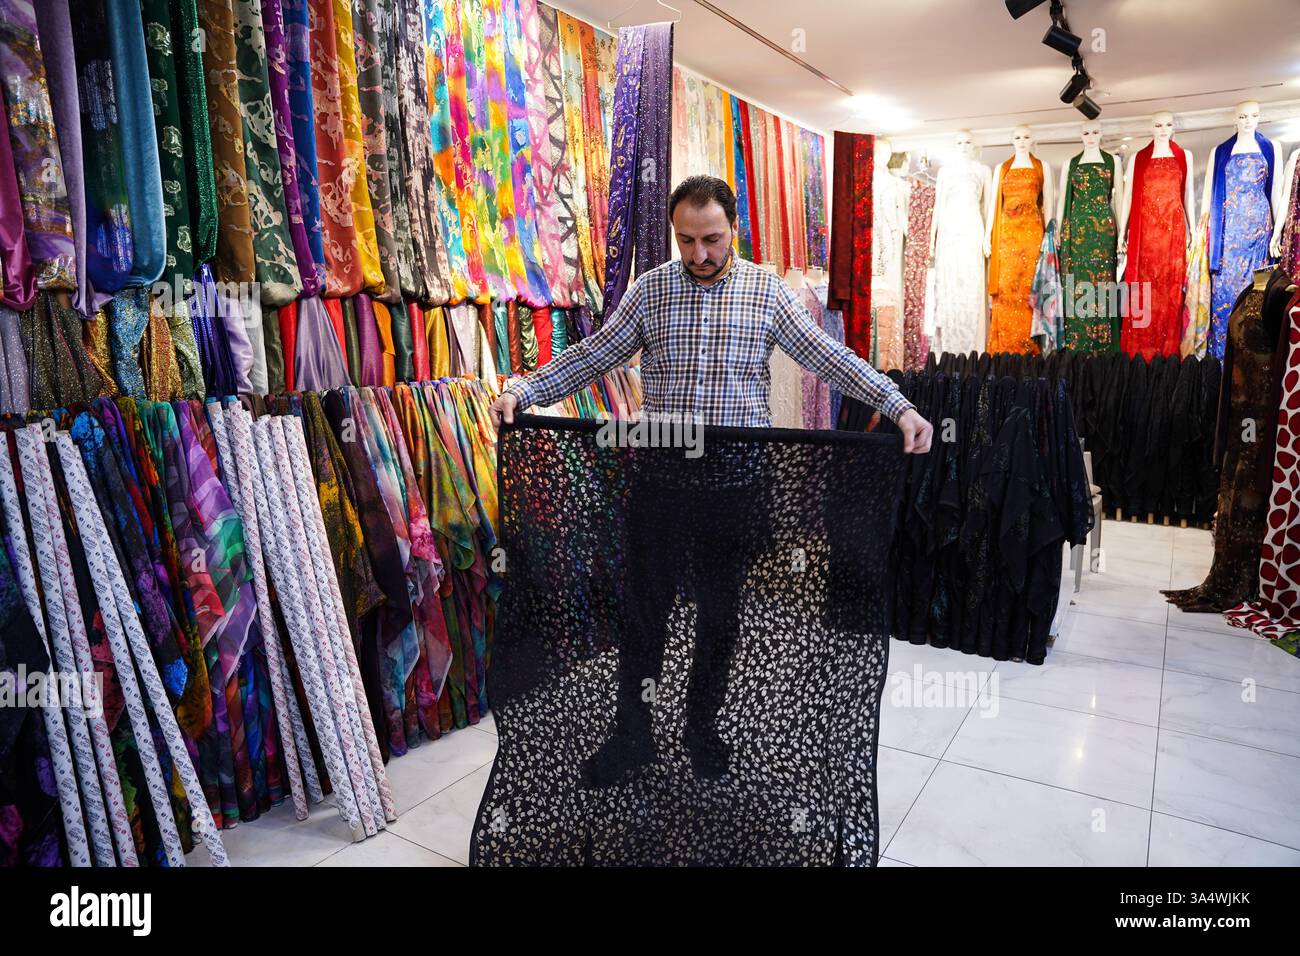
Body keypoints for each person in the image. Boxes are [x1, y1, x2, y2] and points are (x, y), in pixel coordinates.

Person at [490, 176, 933, 787]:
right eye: (686, 241)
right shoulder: (650, 291)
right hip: (661, 483)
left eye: (712, 240)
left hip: (737, 488)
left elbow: (829, 358)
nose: (699, 254)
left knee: (720, 619)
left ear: (735, 229)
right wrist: (525, 389)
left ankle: (703, 731)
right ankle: (632, 736)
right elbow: (593, 355)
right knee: (645, 616)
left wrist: (897, 403)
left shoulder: (766, 294)